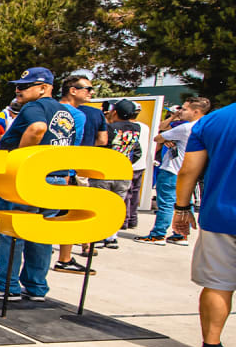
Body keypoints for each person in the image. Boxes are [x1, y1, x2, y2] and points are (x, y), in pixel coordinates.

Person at [0, 66, 76, 301]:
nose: (18, 90)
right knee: (40, 235)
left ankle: (8, 286)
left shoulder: (35, 107)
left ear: (44, 88)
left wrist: (21, 161)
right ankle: (36, 287)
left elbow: (37, 129)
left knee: (10, 232)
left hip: (27, 179)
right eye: (17, 85)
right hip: (54, 177)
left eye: (24, 86)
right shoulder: (64, 112)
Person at [167, 104, 236, 347]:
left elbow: (188, 170)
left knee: (217, 283)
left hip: (220, 215)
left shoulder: (214, 120)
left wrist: (182, 208)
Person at [136, 97, 210, 246]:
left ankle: (158, 234)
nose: (181, 111)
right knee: (184, 204)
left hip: (172, 169)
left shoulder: (185, 128)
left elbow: (158, 137)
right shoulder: (206, 127)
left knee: (166, 204)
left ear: (196, 111)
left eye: (184, 109)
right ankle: (181, 234)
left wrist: (167, 138)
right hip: (190, 172)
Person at [53, 75, 103, 272]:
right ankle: (64, 259)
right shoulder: (78, 115)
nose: (91, 92)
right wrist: (67, 171)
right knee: (69, 215)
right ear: (72, 90)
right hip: (65, 171)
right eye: (87, 88)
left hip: (53, 169)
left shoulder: (48, 109)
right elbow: (71, 145)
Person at [86, 98, 143, 253]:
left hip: (104, 172)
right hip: (123, 172)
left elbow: (100, 144)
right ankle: (112, 237)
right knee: (116, 206)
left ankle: (96, 236)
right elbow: (137, 151)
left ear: (115, 112)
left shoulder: (110, 128)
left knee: (99, 205)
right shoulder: (136, 128)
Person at [114, 100, 148, 234]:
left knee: (124, 196)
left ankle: (125, 220)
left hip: (120, 167)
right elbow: (137, 149)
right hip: (134, 165)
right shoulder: (141, 128)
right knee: (132, 194)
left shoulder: (114, 128)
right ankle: (131, 220)